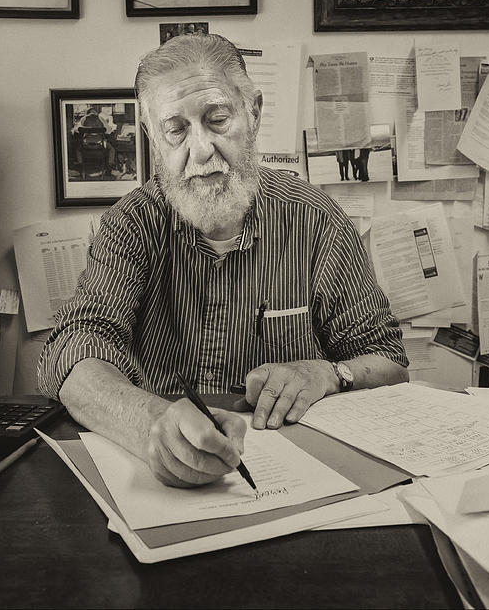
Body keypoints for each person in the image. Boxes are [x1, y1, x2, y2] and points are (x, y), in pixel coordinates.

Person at [38, 34, 408, 489]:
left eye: (217, 119)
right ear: (153, 135)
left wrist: (328, 372)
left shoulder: (316, 221)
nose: (201, 150)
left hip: (295, 479)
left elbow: (390, 362)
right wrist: (151, 422)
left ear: (252, 112)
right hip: (157, 481)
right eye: (176, 129)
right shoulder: (130, 224)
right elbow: (74, 348)